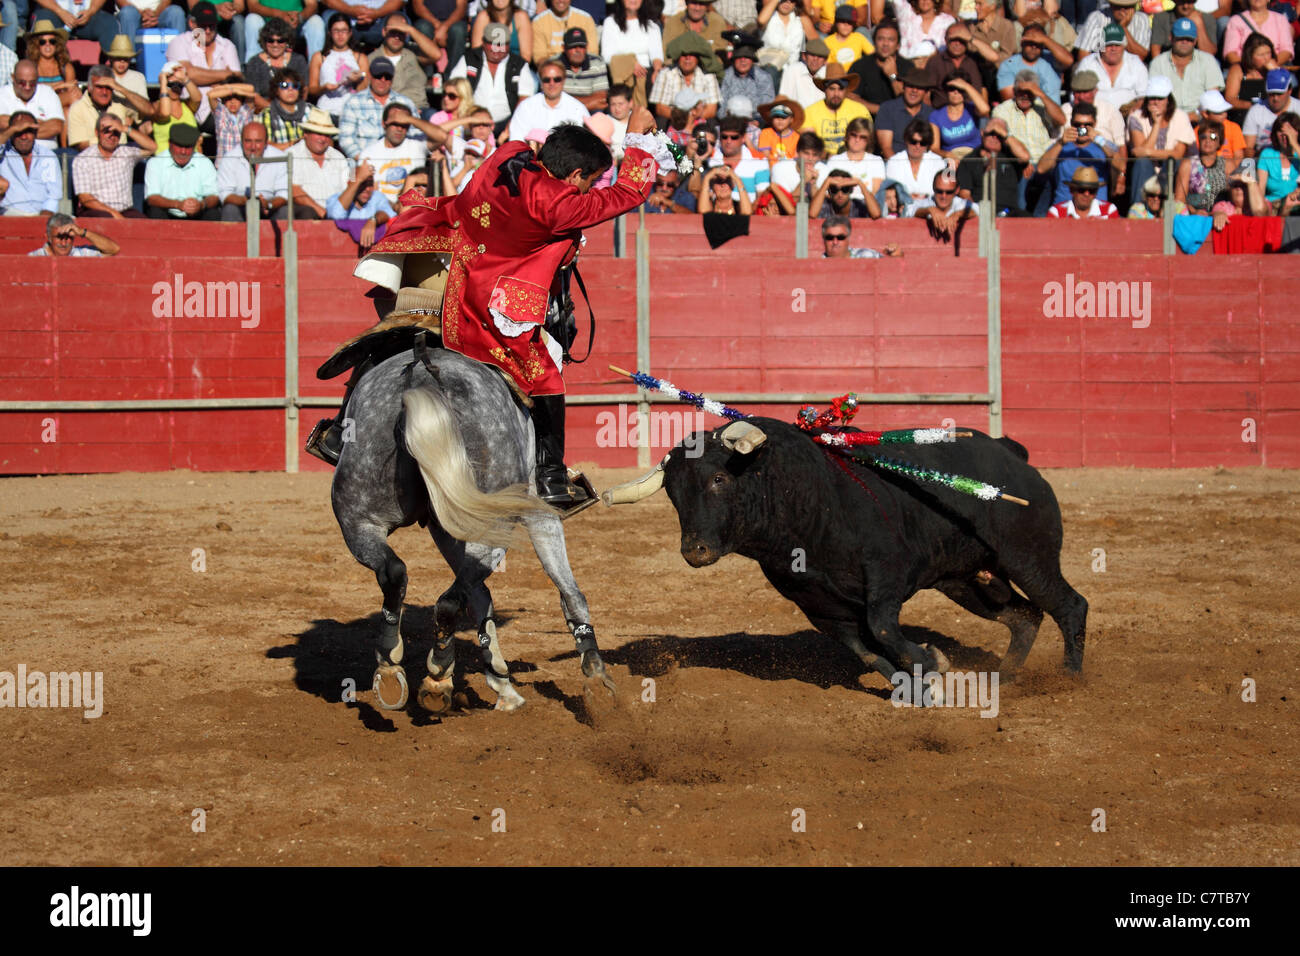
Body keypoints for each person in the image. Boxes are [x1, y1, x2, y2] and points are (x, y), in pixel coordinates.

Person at [336, 121, 665, 512]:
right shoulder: (558, 206)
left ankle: (340, 430)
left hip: (438, 256)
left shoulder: (509, 153)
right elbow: (629, 193)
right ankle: (550, 475)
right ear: (575, 174)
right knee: (546, 376)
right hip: (483, 298)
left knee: (395, 328)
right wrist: (639, 141)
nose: (587, 190)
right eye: (589, 182)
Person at [448, 21, 535, 134]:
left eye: (501, 44)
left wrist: (510, 127)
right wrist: (464, 119)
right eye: (492, 43)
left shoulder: (519, 64)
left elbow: (525, 98)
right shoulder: (470, 59)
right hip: (471, 122)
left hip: (506, 124)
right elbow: (453, 86)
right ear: (483, 42)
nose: (496, 48)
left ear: (508, 45)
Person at [166, 4, 243, 127]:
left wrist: (202, 78)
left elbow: (237, 79)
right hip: (191, 109)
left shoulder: (227, 45)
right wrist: (225, 75)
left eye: (211, 26)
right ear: (192, 24)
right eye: (203, 26)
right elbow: (189, 74)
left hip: (222, 109)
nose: (207, 31)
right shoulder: (179, 43)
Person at [73, 112, 155, 217]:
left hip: (125, 210)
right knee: (106, 218)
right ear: (97, 132)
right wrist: (113, 213)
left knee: (144, 223)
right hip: (95, 210)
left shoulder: (126, 153)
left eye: (116, 132)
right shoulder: (83, 159)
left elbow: (152, 148)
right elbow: (85, 198)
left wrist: (125, 128)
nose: (112, 136)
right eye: (107, 131)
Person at [1127, 74, 1193, 204]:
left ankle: (1174, 208)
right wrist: (1156, 124)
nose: (1156, 102)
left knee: (1175, 162)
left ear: (1168, 99)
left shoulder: (1180, 117)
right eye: (1152, 98)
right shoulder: (1136, 117)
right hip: (1147, 169)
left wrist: (1148, 152)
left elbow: (1178, 154)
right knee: (1142, 163)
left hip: (1170, 170)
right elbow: (1140, 154)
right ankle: (1138, 210)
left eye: (1160, 98)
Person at [1038, 100, 1117, 205]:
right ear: (1071, 123)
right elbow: (1041, 168)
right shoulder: (1061, 146)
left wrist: (1099, 140)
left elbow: (1120, 164)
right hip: (1065, 207)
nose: (1082, 129)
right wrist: (1061, 143)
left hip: (1097, 207)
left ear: (1095, 124)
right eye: (1077, 125)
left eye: (1087, 125)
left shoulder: (1103, 145)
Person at [339, 56, 417, 158]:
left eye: (387, 77)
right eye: (378, 76)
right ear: (370, 76)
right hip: (364, 161)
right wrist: (363, 160)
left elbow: (415, 135)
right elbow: (346, 139)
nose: (383, 80)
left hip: (398, 161)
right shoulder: (353, 103)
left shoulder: (406, 103)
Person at [1147, 17, 1224, 118]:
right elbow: (1154, 98)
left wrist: (1195, 115)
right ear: (1171, 37)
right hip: (1166, 118)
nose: (1184, 42)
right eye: (1180, 38)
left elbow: (1213, 98)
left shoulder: (1208, 61)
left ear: (1195, 41)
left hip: (1201, 119)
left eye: (1189, 39)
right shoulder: (1158, 63)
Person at [66, 65, 154, 152]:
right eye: (99, 87)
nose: (104, 92)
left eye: (108, 87)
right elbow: (82, 146)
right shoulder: (77, 108)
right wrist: (110, 138)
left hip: (122, 156)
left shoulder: (119, 103)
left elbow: (150, 110)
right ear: (89, 88)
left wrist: (120, 88)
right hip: (92, 157)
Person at [285, 105, 351, 217]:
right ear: (306, 133)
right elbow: (294, 190)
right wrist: (323, 213)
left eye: (327, 135)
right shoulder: (292, 155)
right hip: (307, 216)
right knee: (307, 213)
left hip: (337, 214)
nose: (323, 139)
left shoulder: (338, 157)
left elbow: (346, 188)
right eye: (318, 133)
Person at [358, 102, 432, 202]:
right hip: (382, 207)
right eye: (395, 124)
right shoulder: (368, 153)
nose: (399, 129)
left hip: (412, 205)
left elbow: (441, 136)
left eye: (404, 125)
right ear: (384, 124)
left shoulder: (417, 145)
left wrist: (410, 119)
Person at [144, 123, 221, 218]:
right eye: (179, 146)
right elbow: (152, 198)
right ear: (169, 143)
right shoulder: (155, 163)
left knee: (213, 213)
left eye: (188, 147)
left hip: (197, 214)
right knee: (155, 212)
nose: (183, 152)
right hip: (167, 212)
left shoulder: (204, 162)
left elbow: (214, 196)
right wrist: (178, 204)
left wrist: (201, 205)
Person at [216, 119, 289, 219]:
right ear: (241, 141)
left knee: (285, 211)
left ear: (266, 142)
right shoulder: (229, 158)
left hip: (270, 207)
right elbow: (225, 194)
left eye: (258, 141)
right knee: (229, 209)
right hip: (241, 206)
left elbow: (284, 194)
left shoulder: (279, 158)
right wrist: (247, 201)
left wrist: (267, 204)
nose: (253, 147)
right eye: (248, 141)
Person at [956, 116, 1028, 215]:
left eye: (999, 135)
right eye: (991, 133)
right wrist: (976, 213)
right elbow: (964, 194)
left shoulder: (1011, 156)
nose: (994, 137)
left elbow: (1025, 157)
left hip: (1010, 213)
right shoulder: (969, 160)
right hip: (980, 212)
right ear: (982, 133)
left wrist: (1005, 134)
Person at [600, 0, 663, 109]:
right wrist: (631, 65)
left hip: (645, 73)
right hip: (620, 72)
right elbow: (607, 55)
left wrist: (657, 70)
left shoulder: (652, 25)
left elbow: (656, 53)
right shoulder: (610, 22)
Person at [508, 57, 590, 139]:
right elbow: (516, 139)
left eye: (557, 79)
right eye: (546, 80)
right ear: (540, 81)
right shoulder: (526, 107)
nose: (552, 83)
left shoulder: (578, 109)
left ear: (564, 80)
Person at [373, 13, 441, 110]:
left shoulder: (414, 54)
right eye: (393, 32)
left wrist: (411, 30)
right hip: (388, 111)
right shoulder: (373, 59)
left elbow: (436, 55)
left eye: (401, 32)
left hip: (418, 109)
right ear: (384, 32)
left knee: (432, 114)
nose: (397, 37)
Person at [1075, 21, 1148, 112]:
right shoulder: (1087, 64)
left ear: (1124, 45)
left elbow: (1144, 97)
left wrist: (1132, 112)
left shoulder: (1136, 63)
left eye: (1117, 45)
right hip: (1094, 115)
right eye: (1109, 45)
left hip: (1128, 116)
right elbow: (1075, 96)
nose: (1113, 48)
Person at [801, 63, 871, 155]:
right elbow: (809, 144)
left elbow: (868, 141)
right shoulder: (810, 112)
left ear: (846, 90)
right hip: (822, 160)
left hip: (854, 158)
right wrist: (829, 157)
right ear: (825, 89)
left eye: (840, 89)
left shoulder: (860, 110)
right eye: (832, 89)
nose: (836, 94)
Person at [0, 111, 60, 215]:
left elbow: (54, 195)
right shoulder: (3, 152)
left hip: (42, 214)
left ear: (36, 133)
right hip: (10, 214)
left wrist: (45, 215)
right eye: (18, 132)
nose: (23, 137)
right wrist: (11, 130)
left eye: (28, 131)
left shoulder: (47, 155)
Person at [309, 13, 368, 120]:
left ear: (350, 33)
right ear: (330, 33)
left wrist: (357, 81)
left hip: (351, 112)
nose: (340, 35)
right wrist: (324, 87)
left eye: (344, 31)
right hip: (325, 110)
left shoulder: (360, 58)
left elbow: (364, 91)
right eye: (336, 31)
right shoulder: (319, 57)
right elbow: (312, 89)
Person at [651, 32, 721, 121]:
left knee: (711, 122)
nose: (687, 58)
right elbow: (661, 109)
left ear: (698, 58)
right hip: (673, 120)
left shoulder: (709, 76)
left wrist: (692, 120)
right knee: (661, 121)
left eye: (692, 54)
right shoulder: (665, 74)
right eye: (684, 54)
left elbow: (711, 110)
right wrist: (682, 120)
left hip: (699, 121)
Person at [325, 159, 395, 248]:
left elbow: (388, 213)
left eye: (370, 184)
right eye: (363, 183)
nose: (367, 189)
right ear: (350, 183)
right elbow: (336, 215)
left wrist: (373, 220)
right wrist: (358, 179)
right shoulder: (336, 198)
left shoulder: (377, 196)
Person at [850, 19, 912, 115]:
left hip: (899, 117)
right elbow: (851, 97)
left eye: (891, 40)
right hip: (867, 118)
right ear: (874, 42)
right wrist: (881, 111)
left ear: (898, 46)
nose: (885, 44)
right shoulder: (860, 65)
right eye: (880, 39)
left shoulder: (907, 67)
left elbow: (908, 101)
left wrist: (892, 76)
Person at [245, 16, 311, 103]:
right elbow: (254, 96)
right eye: (270, 40)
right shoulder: (254, 63)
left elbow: (304, 90)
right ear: (264, 41)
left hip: (294, 107)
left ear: (287, 42)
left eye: (280, 41)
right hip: (265, 108)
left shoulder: (298, 61)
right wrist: (274, 109)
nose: (275, 45)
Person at [0, 59, 65, 148]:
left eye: (32, 83)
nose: (27, 87)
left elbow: (56, 127)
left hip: (47, 153)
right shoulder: (2, 93)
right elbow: (2, 122)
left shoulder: (48, 93)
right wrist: (38, 123)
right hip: (11, 153)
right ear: (13, 78)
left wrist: (15, 129)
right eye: (22, 83)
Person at [920, 21, 984, 108]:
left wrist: (971, 39)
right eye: (953, 40)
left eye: (961, 40)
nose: (957, 44)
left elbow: (994, 57)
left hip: (970, 111)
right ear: (946, 40)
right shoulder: (935, 62)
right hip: (942, 111)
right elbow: (925, 93)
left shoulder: (974, 60)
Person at [662, 0, 734, 75]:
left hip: (710, 72)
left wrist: (686, 51)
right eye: (694, 3)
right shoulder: (673, 22)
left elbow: (720, 55)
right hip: (678, 72)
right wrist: (704, 51)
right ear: (687, 3)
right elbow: (668, 54)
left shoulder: (717, 22)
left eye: (701, 4)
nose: (697, 8)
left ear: (707, 5)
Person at [995, 22, 1060, 104]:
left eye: (1038, 43)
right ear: (1022, 42)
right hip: (1025, 110)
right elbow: (1009, 101)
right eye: (1030, 42)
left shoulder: (1052, 58)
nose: (1034, 47)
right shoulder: (1008, 64)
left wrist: (1045, 39)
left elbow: (1069, 60)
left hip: (1055, 110)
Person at [874, 64, 930, 158]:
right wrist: (899, 166)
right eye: (910, 85)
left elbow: (932, 148)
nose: (914, 90)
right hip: (893, 162)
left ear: (926, 92)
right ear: (903, 86)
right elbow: (886, 148)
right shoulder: (887, 109)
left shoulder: (931, 114)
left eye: (919, 87)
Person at [1174, 118, 1229, 213]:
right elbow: (1179, 199)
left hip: (1220, 212)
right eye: (1203, 137)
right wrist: (1194, 212)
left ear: (1219, 142)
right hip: (1193, 212)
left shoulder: (1227, 164)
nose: (1207, 141)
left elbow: (1231, 197)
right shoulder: (1188, 164)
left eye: (1213, 137)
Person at [873, 0, 954, 63]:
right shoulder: (906, 15)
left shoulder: (948, 21)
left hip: (935, 67)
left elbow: (949, 47)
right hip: (907, 67)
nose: (925, 0)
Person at [883, 115, 945, 199]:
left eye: (923, 143)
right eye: (913, 142)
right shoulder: (894, 162)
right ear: (906, 140)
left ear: (928, 144)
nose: (917, 146)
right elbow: (893, 192)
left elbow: (941, 192)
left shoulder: (938, 162)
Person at [244, 0, 325, 61]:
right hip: (267, 24)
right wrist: (280, 15)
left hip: (296, 23)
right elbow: (252, 5)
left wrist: (300, 17)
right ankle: (252, 67)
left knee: (316, 21)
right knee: (252, 19)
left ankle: (316, 69)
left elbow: (312, 5)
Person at [25, 17, 77, 111]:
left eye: (52, 41)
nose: (47, 45)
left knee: (73, 98)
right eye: (42, 42)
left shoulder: (66, 68)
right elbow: (30, 94)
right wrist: (58, 86)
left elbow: (72, 90)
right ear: (36, 44)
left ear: (57, 44)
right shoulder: (31, 68)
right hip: (37, 107)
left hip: (60, 108)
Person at [1243, 70, 1300, 155]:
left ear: (1290, 91)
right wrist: (1265, 157)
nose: (1275, 98)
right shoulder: (1255, 111)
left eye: (1279, 93)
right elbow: (1248, 149)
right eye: (1271, 93)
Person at [1222, 0, 1294, 67]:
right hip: (1246, 70)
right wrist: (1250, 68)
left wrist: (1272, 65)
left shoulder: (1281, 19)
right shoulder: (1235, 21)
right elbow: (1230, 53)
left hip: (1275, 68)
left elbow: (1287, 50)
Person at [929, 75, 987, 158]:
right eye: (952, 89)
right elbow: (934, 148)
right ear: (946, 91)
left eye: (960, 89)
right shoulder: (936, 116)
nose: (956, 92)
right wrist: (946, 154)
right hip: (952, 158)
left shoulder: (973, 108)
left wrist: (966, 86)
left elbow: (985, 110)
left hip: (975, 156)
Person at [151, 61, 201, 156]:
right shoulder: (156, 106)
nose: (176, 88)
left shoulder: (187, 106)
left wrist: (184, 78)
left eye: (179, 85)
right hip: (165, 161)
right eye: (171, 85)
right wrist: (163, 84)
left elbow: (197, 98)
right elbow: (165, 113)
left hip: (190, 159)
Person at [1074, 0, 1151, 62]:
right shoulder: (1097, 18)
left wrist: (1123, 28)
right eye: (1118, 6)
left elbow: (1140, 57)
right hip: (1099, 67)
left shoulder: (1141, 19)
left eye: (1127, 7)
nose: (1122, 10)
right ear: (1111, 5)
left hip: (1130, 69)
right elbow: (1083, 56)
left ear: (1133, 7)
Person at [1224, 33, 1275, 126]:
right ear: (1250, 56)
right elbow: (1230, 99)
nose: (1266, 58)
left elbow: (1283, 96)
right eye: (1261, 55)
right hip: (1244, 115)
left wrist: (1274, 73)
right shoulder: (1238, 70)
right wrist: (1254, 106)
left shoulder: (1274, 70)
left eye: (1268, 53)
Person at [912, 166, 976, 240]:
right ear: (933, 188)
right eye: (939, 191)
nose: (943, 196)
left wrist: (959, 214)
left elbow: (978, 210)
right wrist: (928, 210)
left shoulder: (960, 203)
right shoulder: (926, 203)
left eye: (949, 192)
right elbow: (909, 211)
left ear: (957, 190)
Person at [758, 0, 819, 75]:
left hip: (792, 69)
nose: (787, 3)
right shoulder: (769, 17)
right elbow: (761, 21)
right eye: (784, 0)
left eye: (792, 0)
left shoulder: (801, 19)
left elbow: (817, 45)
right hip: (768, 67)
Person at [1255, 111, 1300, 214]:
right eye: (1281, 131)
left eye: (1289, 131)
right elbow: (1261, 189)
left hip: (1296, 203)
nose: (1285, 135)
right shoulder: (1267, 154)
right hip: (1273, 205)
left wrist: (1294, 143)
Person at [29, 2, 115, 55]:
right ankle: (40, 70)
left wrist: (92, 11)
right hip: (55, 12)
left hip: (88, 15)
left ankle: (113, 72)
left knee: (110, 24)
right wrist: (59, 11)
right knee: (43, 23)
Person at [532, 0, 599, 66]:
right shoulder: (539, 22)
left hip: (583, 67)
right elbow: (540, 58)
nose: (561, 1)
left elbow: (592, 53)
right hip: (552, 68)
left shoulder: (585, 19)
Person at [557, 26, 609, 112]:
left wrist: (566, 105)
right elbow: (552, 100)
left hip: (589, 113)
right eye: (573, 47)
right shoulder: (554, 65)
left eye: (581, 46)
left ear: (587, 46)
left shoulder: (597, 63)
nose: (578, 50)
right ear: (564, 48)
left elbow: (601, 99)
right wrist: (590, 103)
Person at [413, 0, 469, 77]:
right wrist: (436, 24)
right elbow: (417, 5)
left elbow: (462, 7)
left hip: (454, 22)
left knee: (458, 30)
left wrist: (444, 27)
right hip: (428, 21)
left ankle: (453, 77)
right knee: (423, 28)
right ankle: (427, 76)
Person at [104, 35, 151, 127]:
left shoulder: (138, 77)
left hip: (134, 123)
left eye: (126, 59)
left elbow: (144, 107)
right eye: (118, 58)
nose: (122, 62)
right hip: (109, 120)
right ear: (111, 58)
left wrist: (133, 120)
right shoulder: (104, 75)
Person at [720, 40, 775, 116]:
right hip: (730, 119)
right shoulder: (725, 76)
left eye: (747, 57)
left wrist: (756, 120)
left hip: (756, 119)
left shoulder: (764, 77)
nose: (743, 61)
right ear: (734, 60)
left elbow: (766, 106)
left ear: (752, 60)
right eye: (739, 57)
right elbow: (721, 105)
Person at [1149, 0, 1217, 60]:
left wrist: (1199, 25)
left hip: (1198, 63)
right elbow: (1155, 50)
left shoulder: (1207, 18)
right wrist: (1159, 66)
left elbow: (1210, 54)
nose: (1185, 6)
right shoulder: (1161, 17)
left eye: (1189, 2)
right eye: (1181, 1)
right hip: (1169, 61)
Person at [256, 67, 306, 147]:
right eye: (284, 85)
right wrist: (293, 144)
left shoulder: (311, 111)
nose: (290, 89)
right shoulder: (265, 116)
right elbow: (264, 146)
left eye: (295, 85)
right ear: (276, 90)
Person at [1197, 89, 1245, 171]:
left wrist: (1229, 171)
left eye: (1225, 111)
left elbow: (1238, 157)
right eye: (1218, 112)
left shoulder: (1234, 128)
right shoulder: (1198, 131)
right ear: (1205, 114)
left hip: (1229, 171)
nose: (1224, 115)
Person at [28, 213, 119, 255]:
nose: (64, 243)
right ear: (48, 237)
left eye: (68, 237)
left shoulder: (81, 253)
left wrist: (83, 232)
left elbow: (114, 249)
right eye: (59, 237)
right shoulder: (34, 258)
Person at [1047, 164, 1118, 217]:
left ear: (1096, 192)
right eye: (1082, 190)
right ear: (1072, 190)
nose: (1086, 194)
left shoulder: (1109, 210)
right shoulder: (1056, 213)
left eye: (1091, 190)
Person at [778, 35, 829, 109]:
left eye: (820, 56)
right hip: (796, 114)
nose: (815, 59)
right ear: (804, 56)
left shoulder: (829, 74)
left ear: (825, 60)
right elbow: (784, 98)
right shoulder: (793, 70)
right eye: (812, 55)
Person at [209, 81, 257, 156]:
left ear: (241, 101)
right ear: (224, 100)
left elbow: (251, 88)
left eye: (237, 98)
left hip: (243, 160)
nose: (233, 102)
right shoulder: (221, 112)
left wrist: (234, 90)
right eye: (229, 98)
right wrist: (232, 90)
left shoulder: (246, 111)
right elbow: (211, 95)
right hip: (224, 160)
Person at [821, 213, 902, 256]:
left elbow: (893, 266)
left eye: (840, 237)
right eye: (829, 237)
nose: (835, 242)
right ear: (823, 239)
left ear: (848, 238)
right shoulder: (817, 264)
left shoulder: (867, 255)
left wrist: (896, 255)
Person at [810, 166, 879, 215]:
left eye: (845, 189)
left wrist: (860, 183)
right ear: (829, 192)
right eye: (834, 190)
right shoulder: (825, 206)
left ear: (851, 190)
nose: (840, 195)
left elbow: (876, 214)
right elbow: (812, 214)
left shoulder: (858, 205)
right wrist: (827, 182)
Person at [116, 0, 189, 45]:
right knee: (128, 13)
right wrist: (142, 14)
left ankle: (180, 58)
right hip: (131, 13)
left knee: (176, 12)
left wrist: (154, 15)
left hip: (158, 13)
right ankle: (130, 61)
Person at [825, 4, 873, 69]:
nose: (846, 24)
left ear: (854, 24)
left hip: (856, 73)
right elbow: (827, 65)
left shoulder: (858, 38)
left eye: (850, 22)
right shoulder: (828, 41)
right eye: (842, 21)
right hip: (837, 73)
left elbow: (872, 55)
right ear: (836, 22)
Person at [757, 95, 803, 163]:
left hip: (790, 167)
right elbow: (765, 156)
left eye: (784, 117)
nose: (780, 119)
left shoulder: (797, 137)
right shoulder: (766, 133)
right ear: (771, 118)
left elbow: (797, 158)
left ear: (791, 119)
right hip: (771, 168)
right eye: (776, 116)